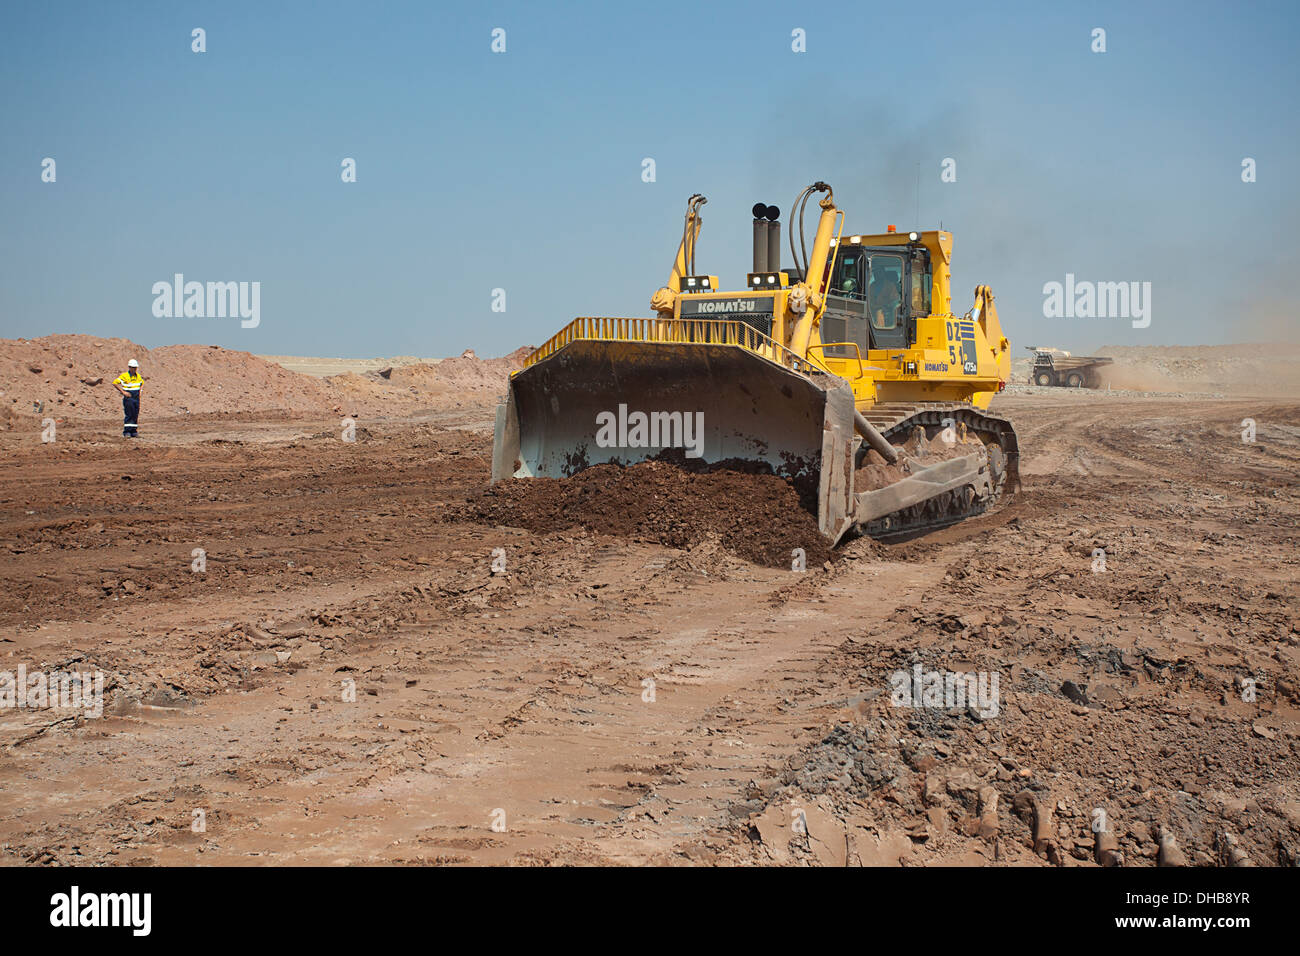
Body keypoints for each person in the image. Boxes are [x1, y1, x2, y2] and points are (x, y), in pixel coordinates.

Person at [113, 359, 143, 438]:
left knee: (135, 414)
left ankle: (134, 431)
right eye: (133, 367)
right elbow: (115, 383)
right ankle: (127, 431)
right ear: (129, 367)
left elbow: (142, 383)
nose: (134, 369)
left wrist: (140, 392)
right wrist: (123, 392)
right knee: (129, 414)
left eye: (135, 367)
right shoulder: (124, 376)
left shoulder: (138, 376)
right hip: (129, 398)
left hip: (136, 398)